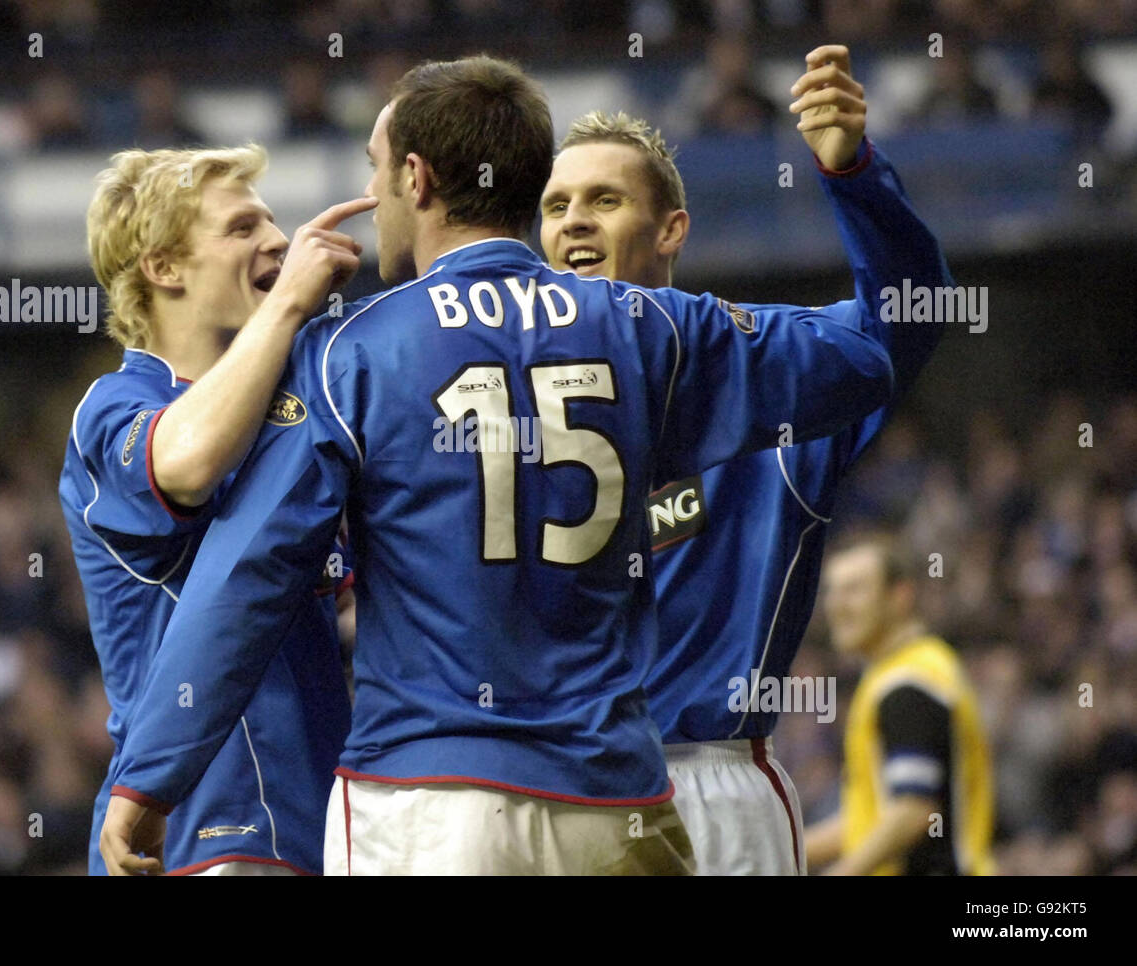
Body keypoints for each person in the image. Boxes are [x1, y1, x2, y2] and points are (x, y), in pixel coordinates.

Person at [102, 55, 895, 875]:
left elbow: (248, 576)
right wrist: (856, 175)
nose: (374, 199)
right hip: (615, 800)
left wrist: (150, 779)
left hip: (426, 803)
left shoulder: (350, 354)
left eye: (378, 173)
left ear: (416, 177)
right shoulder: (650, 327)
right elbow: (877, 351)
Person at [537, 45, 950, 874]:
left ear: (671, 231)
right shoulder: (496, 398)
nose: (573, 220)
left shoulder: (763, 378)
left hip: (707, 791)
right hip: (551, 791)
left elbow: (903, 323)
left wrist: (855, 176)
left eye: (604, 200)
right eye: (555, 205)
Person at [60, 143, 374, 875]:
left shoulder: (296, 414)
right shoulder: (115, 408)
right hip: (201, 823)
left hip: (318, 813)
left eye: (272, 223)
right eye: (241, 229)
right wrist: (294, 301)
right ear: (164, 269)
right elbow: (188, 462)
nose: (277, 241)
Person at [804, 533, 995, 875]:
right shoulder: (895, 673)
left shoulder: (909, 682)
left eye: (854, 590)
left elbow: (913, 809)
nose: (836, 605)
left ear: (900, 596)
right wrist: (782, 852)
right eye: (831, 591)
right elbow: (872, 819)